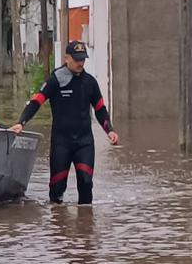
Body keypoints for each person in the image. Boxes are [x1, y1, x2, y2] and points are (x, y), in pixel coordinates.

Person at [12, 40, 119, 205]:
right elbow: (36, 102)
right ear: (66, 58)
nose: (80, 63)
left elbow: (100, 109)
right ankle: (58, 224)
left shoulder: (90, 82)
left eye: (83, 59)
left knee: (85, 181)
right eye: (77, 59)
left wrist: (109, 130)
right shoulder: (56, 79)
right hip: (61, 142)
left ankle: (85, 223)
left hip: (84, 141)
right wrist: (22, 122)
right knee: (57, 188)